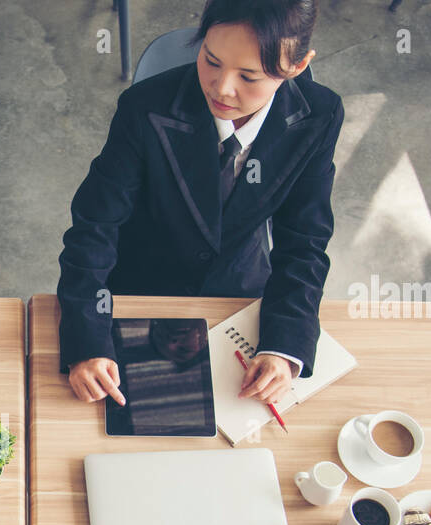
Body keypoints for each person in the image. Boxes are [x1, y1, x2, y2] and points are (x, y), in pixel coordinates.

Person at [58, 0, 342, 408]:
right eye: (211, 60)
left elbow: (305, 240)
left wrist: (285, 347)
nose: (222, 88)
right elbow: (94, 228)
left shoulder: (320, 115)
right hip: (140, 287)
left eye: (249, 76)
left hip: (237, 289)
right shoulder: (144, 107)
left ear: (296, 67)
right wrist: (87, 342)